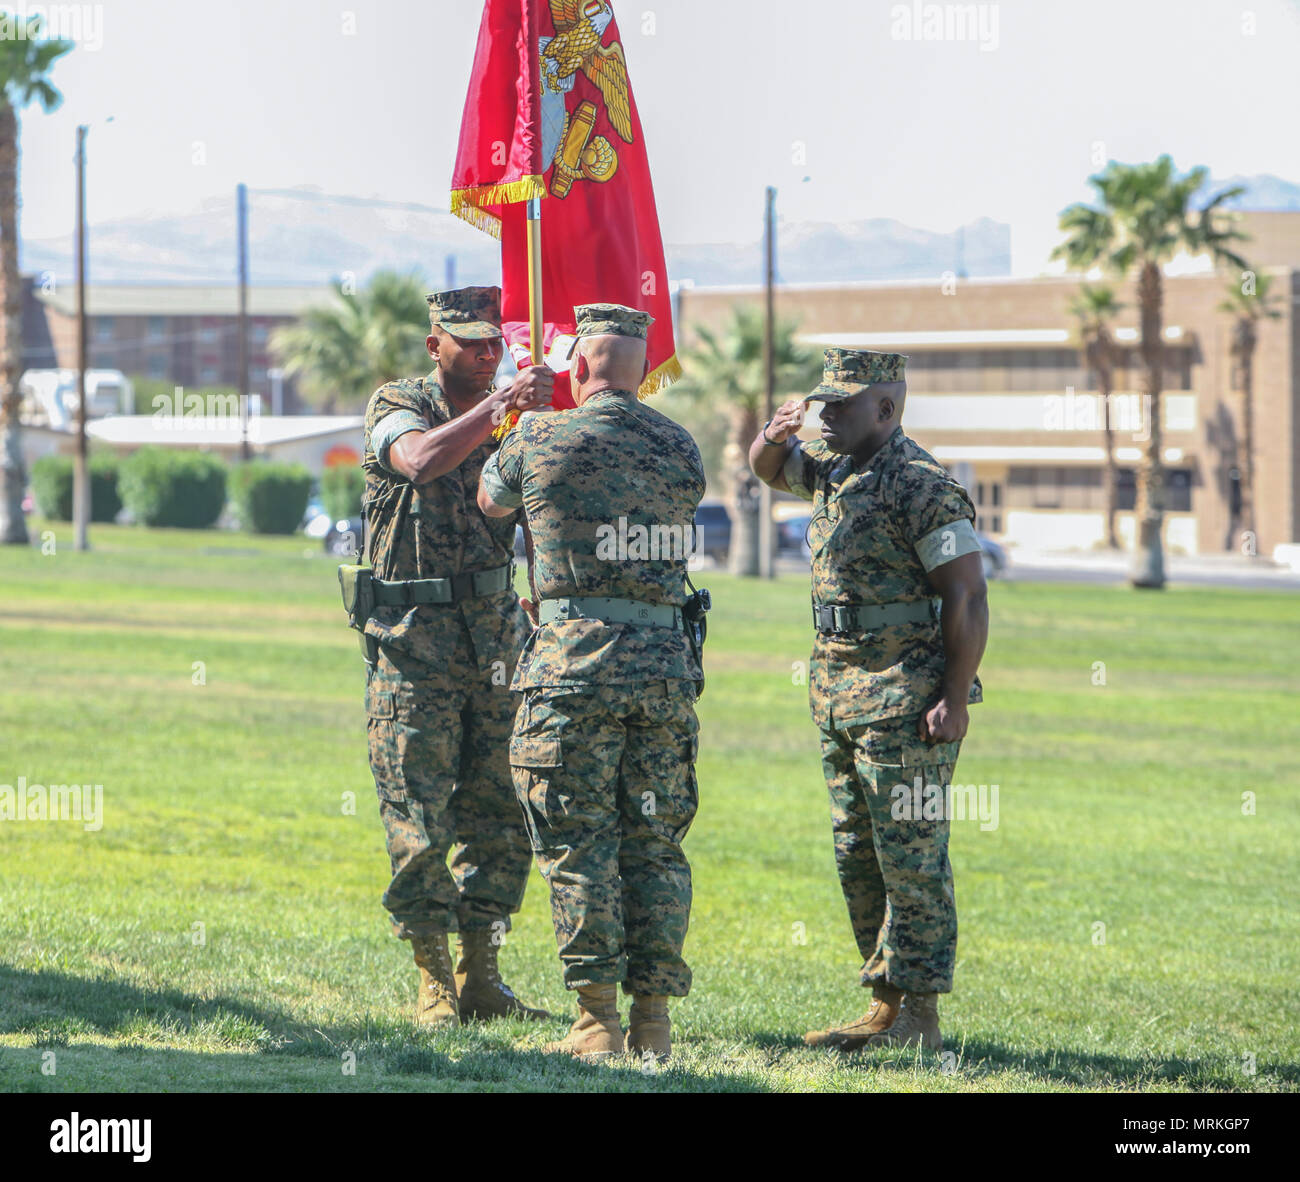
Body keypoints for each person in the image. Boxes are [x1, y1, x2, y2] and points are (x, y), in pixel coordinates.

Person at [477, 303, 705, 1062]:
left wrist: (526, 417)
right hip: (664, 671)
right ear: (642, 370)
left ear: (576, 367)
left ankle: (597, 1019)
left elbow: (490, 501)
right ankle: (654, 1022)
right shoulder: (681, 447)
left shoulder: (540, 437)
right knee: (655, 845)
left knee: (579, 843)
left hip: (572, 670)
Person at [749, 347, 989, 1053]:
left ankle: (921, 1018)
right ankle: (885, 1005)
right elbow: (768, 470)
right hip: (840, 695)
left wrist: (954, 698)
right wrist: (773, 433)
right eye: (821, 402)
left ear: (885, 408)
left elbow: (967, 595)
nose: (825, 414)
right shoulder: (835, 468)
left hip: (906, 701)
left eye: (840, 404)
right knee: (858, 852)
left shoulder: (922, 485)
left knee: (911, 857)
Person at [360, 284, 553, 1027]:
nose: (485, 353)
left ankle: (483, 975)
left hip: (497, 639)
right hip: (415, 644)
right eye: (468, 341)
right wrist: (501, 407)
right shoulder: (398, 404)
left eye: (494, 342)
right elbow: (419, 461)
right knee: (417, 813)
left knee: (501, 811)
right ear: (433, 344)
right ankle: (433, 978)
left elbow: (534, 512)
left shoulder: (516, 422)